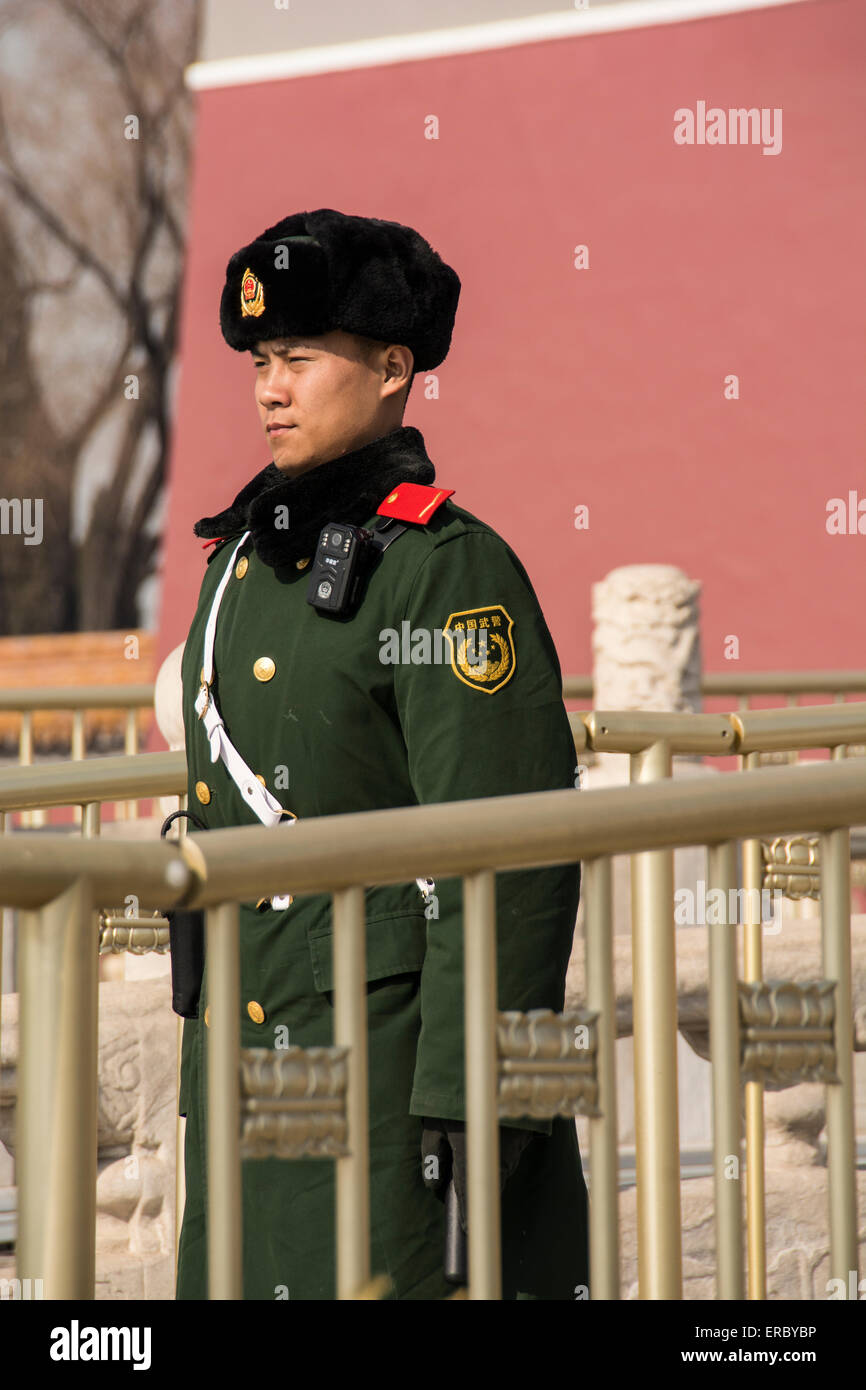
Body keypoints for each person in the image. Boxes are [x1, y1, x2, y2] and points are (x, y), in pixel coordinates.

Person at [174, 207, 588, 1300]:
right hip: (250, 1053)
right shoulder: (240, 569)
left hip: (393, 1070)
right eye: (261, 361)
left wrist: (476, 1101)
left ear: (394, 367)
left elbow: (509, 858)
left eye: (300, 359)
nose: (268, 387)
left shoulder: (444, 569)